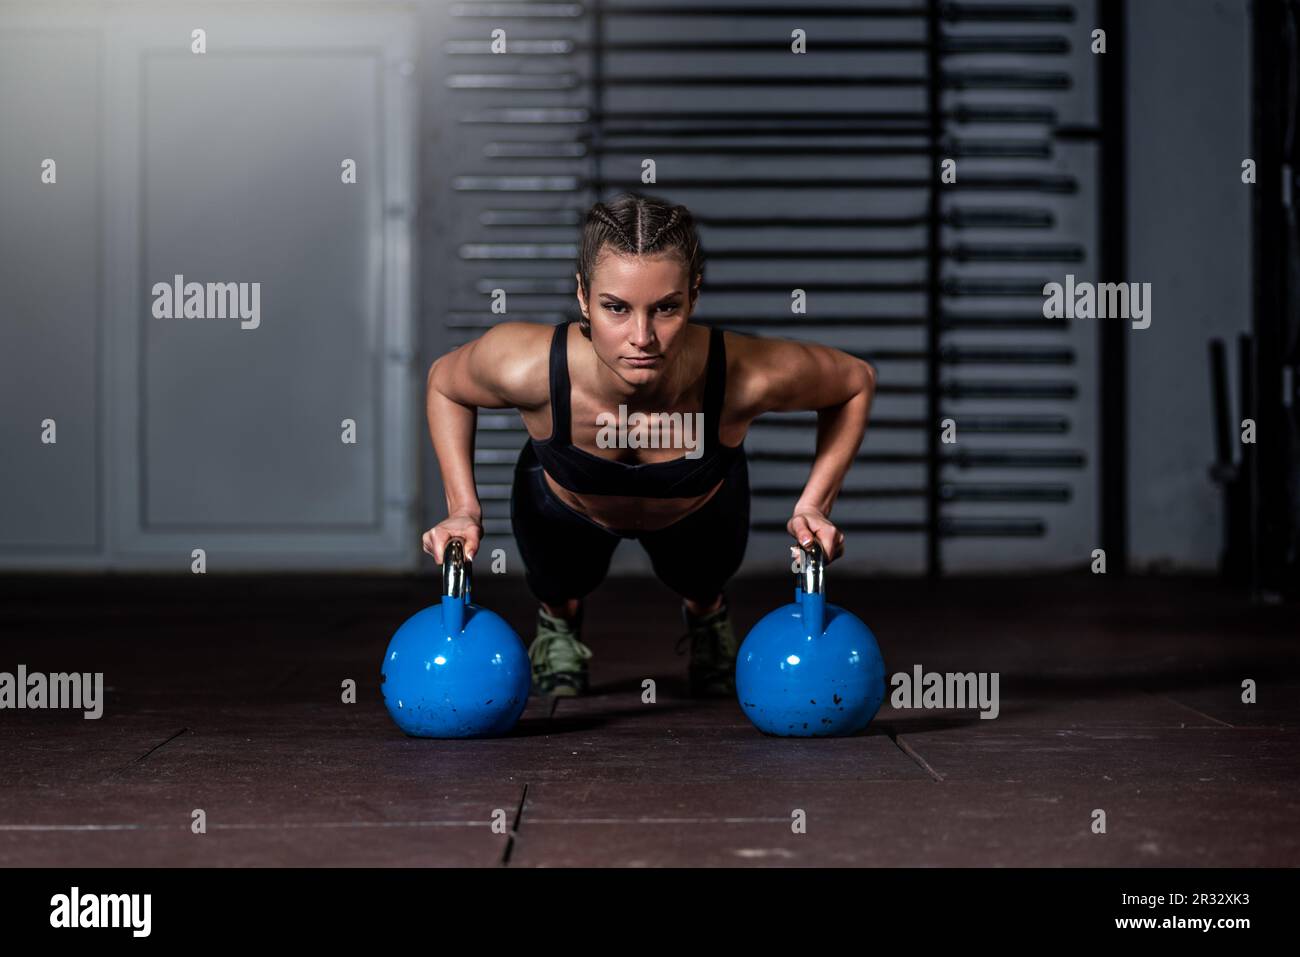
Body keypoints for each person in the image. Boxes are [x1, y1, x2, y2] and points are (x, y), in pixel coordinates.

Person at [423, 192, 877, 697]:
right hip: (570, 509)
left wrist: (815, 504)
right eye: (615, 308)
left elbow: (854, 381)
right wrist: (462, 509)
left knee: (704, 581)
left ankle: (707, 617)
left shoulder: (744, 372)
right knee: (557, 584)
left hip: (697, 511)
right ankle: (558, 625)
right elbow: (445, 382)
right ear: (582, 297)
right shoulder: (526, 364)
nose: (642, 337)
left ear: (694, 297)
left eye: (665, 309)